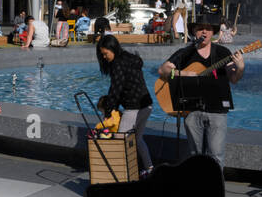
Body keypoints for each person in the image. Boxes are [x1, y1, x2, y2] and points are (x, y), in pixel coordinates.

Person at [157, 21, 246, 168]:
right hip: (192, 111)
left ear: (213, 33)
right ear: (194, 32)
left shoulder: (222, 53)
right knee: (194, 155)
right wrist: (184, 73)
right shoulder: (185, 53)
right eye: (200, 29)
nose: (204, 32)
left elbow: (234, 79)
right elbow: (163, 70)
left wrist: (240, 68)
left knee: (216, 155)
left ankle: (215, 189)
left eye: (208, 29)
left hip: (217, 111)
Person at [96, 33, 155, 177]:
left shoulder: (117, 64)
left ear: (113, 49)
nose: (104, 57)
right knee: (137, 138)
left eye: (105, 53)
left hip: (134, 107)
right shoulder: (129, 58)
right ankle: (150, 169)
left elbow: (116, 89)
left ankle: (121, 174)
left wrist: (109, 111)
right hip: (147, 105)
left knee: (120, 139)